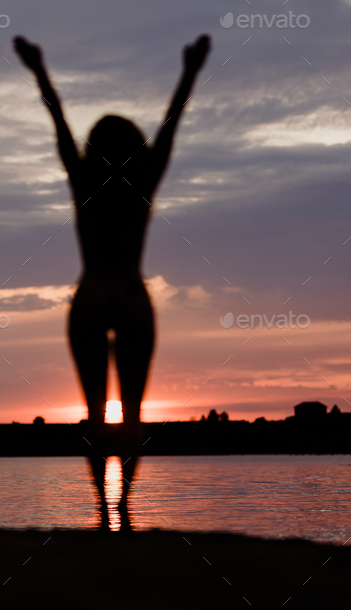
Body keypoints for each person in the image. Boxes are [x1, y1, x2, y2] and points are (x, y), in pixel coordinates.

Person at [13, 33, 211, 530]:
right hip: (130, 293)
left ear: (94, 150)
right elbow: (172, 127)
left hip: (91, 294)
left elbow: (58, 125)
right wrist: (189, 71)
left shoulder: (83, 182)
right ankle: (124, 509)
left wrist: (39, 70)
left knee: (96, 415)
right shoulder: (143, 182)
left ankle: (104, 510)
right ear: (135, 151)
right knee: (133, 414)